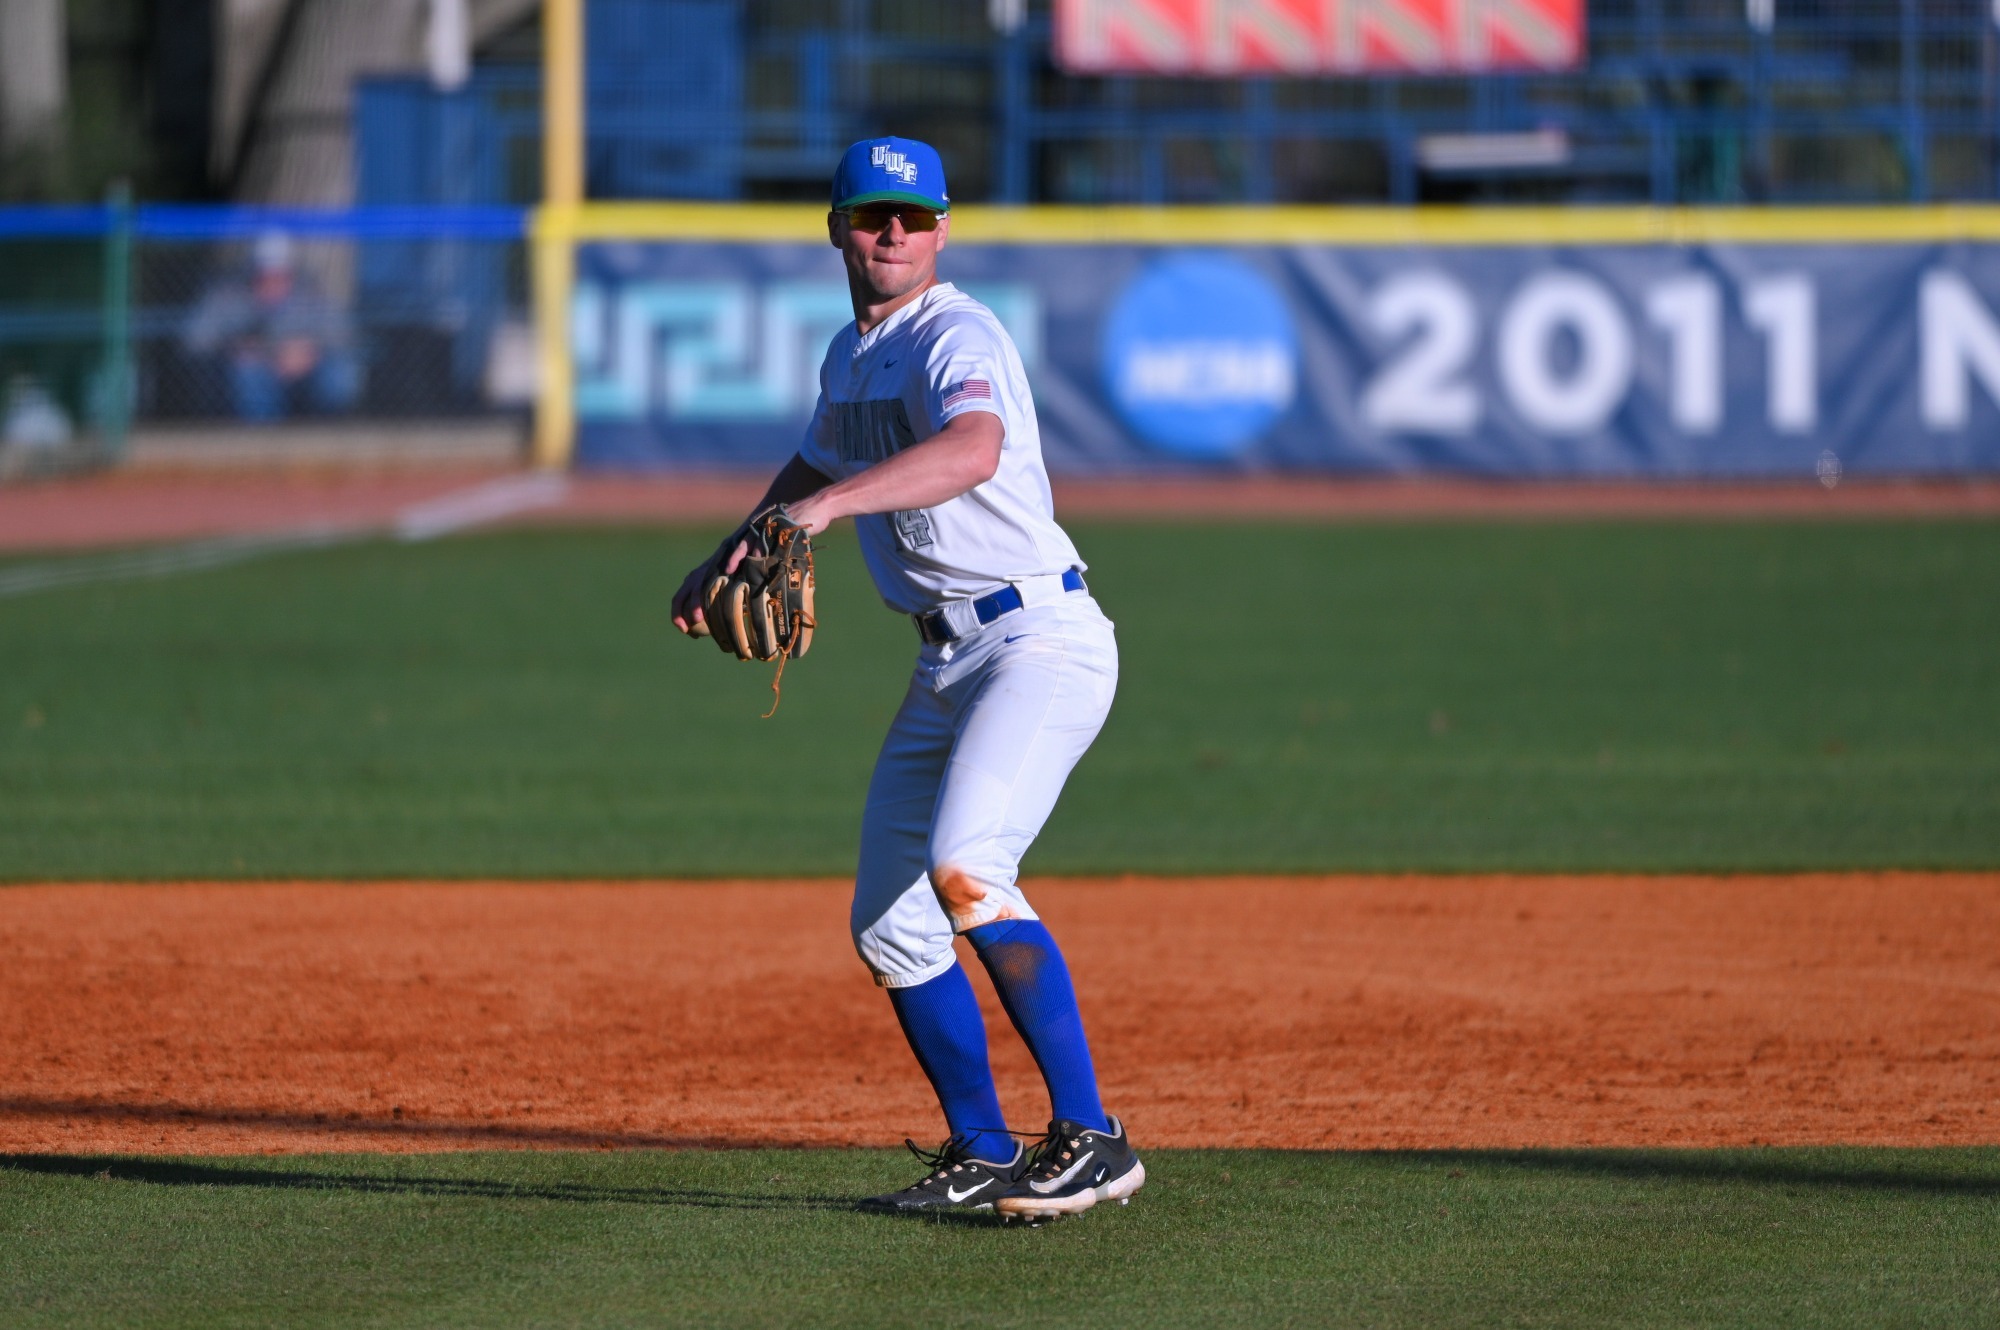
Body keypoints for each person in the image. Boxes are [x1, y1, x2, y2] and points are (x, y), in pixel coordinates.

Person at [672, 137, 1143, 1222]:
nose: (893, 234)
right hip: (946, 660)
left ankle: (1093, 1137)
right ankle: (981, 1149)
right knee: (891, 925)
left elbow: (972, 446)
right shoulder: (852, 351)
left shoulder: (954, 333)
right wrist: (732, 550)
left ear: (941, 231)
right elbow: (815, 460)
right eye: (873, 215)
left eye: (914, 217)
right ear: (835, 225)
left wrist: (827, 511)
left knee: (967, 866)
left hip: (1036, 640)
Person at [182, 232, 361, 421]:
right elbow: (194, 340)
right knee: (248, 370)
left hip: (306, 372)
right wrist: (240, 348)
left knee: (340, 372)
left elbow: (344, 335)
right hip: (256, 373)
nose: (272, 281)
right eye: (264, 274)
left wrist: (310, 351)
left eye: (280, 274)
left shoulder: (311, 296)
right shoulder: (228, 297)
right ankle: (262, 437)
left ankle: (327, 430)